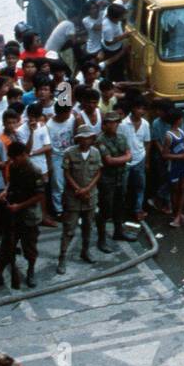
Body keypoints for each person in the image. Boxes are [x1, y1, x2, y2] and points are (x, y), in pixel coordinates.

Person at [0, 141, 44, 289]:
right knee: (7, 247)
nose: (12, 161)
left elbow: (39, 195)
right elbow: (12, 183)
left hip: (29, 216)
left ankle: (31, 272)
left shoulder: (35, 171)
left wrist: (20, 206)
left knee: (30, 248)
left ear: (23, 155)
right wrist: (5, 191)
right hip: (14, 214)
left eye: (15, 158)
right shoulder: (14, 166)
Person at [57, 126, 102, 274]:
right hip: (73, 197)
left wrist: (87, 189)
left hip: (90, 196)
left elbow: (98, 172)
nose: (86, 140)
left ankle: (85, 251)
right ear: (78, 139)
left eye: (88, 137)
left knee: (88, 226)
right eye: (83, 138)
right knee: (69, 229)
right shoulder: (69, 153)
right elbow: (66, 173)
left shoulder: (96, 153)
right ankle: (62, 257)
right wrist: (78, 189)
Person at [96, 111, 135, 250]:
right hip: (107, 179)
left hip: (120, 176)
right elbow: (108, 161)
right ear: (105, 125)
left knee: (120, 206)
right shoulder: (100, 140)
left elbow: (130, 155)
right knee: (105, 209)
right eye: (111, 122)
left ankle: (118, 232)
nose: (115, 125)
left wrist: (122, 159)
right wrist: (124, 158)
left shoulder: (121, 137)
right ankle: (101, 239)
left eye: (116, 122)